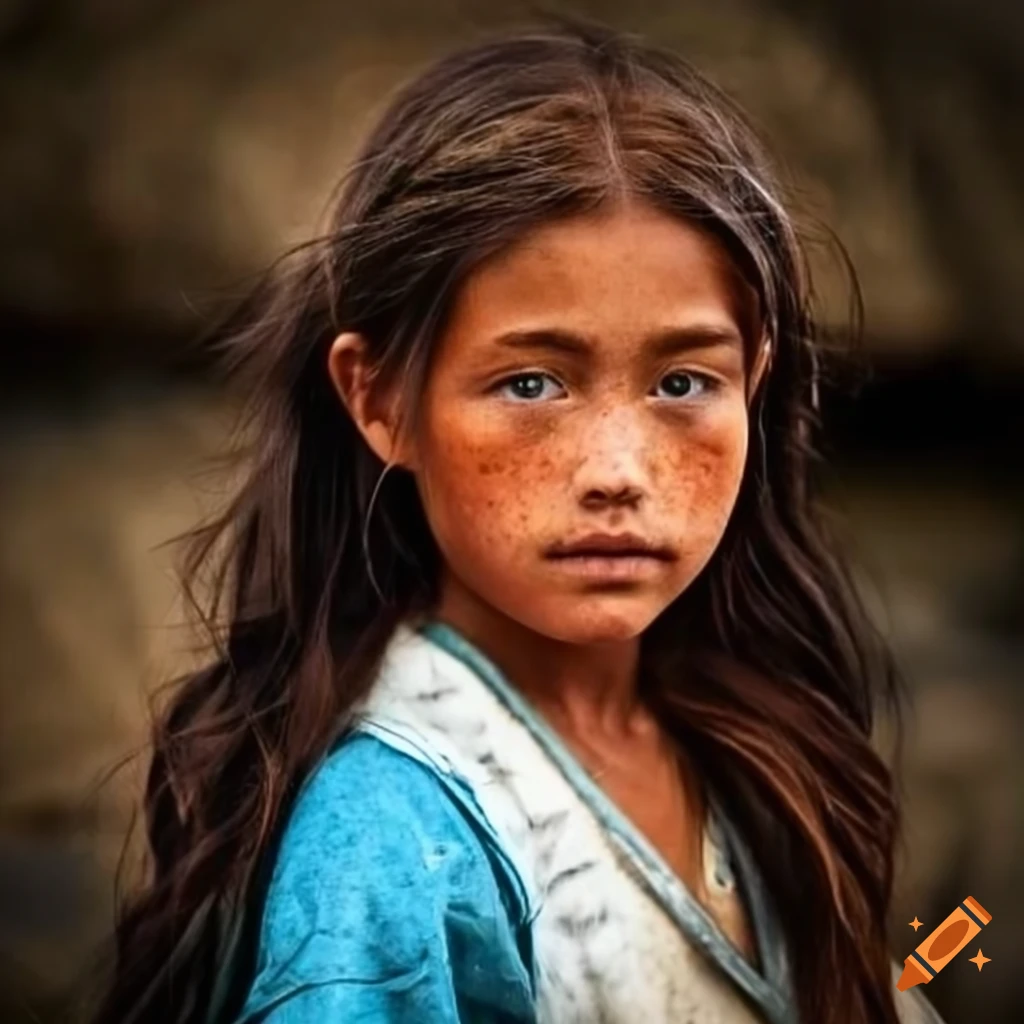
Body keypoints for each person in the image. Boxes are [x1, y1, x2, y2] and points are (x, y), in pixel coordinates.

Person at [89, 17, 947, 1024]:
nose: (617, 471)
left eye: (682, 381)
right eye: (531, 382)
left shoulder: (749, 733)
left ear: (752, 383)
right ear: (380, 401)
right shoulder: (393, 837)